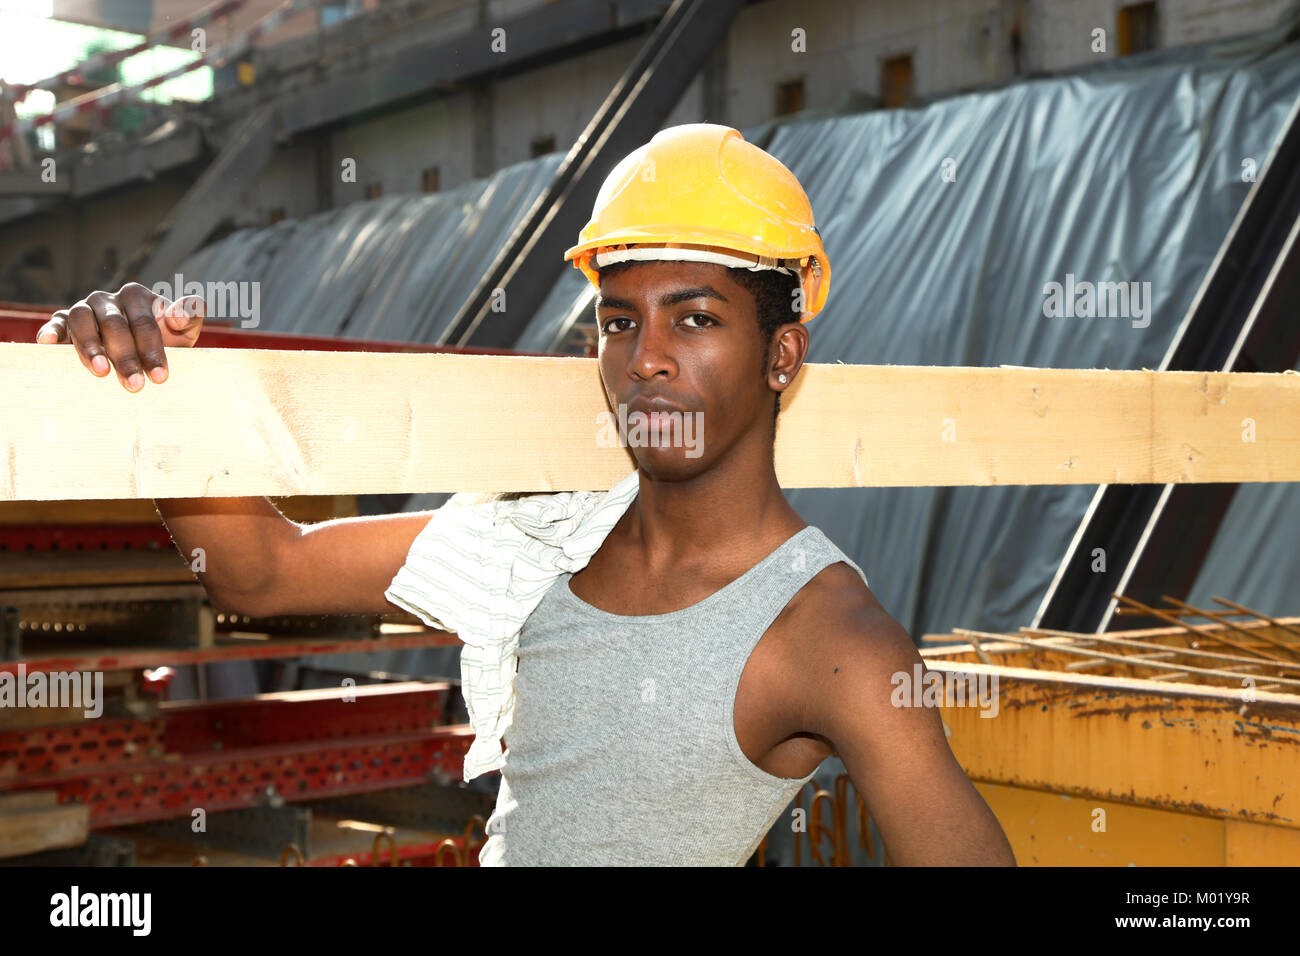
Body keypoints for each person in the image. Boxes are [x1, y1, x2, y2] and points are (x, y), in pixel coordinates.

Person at [36, 123, 1015, 867]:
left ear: (781, 354)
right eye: (619, 321)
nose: (649, 361)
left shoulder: (828, 637)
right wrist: (157, 388)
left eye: (698, 317)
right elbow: (260, 569)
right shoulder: (535, 538)